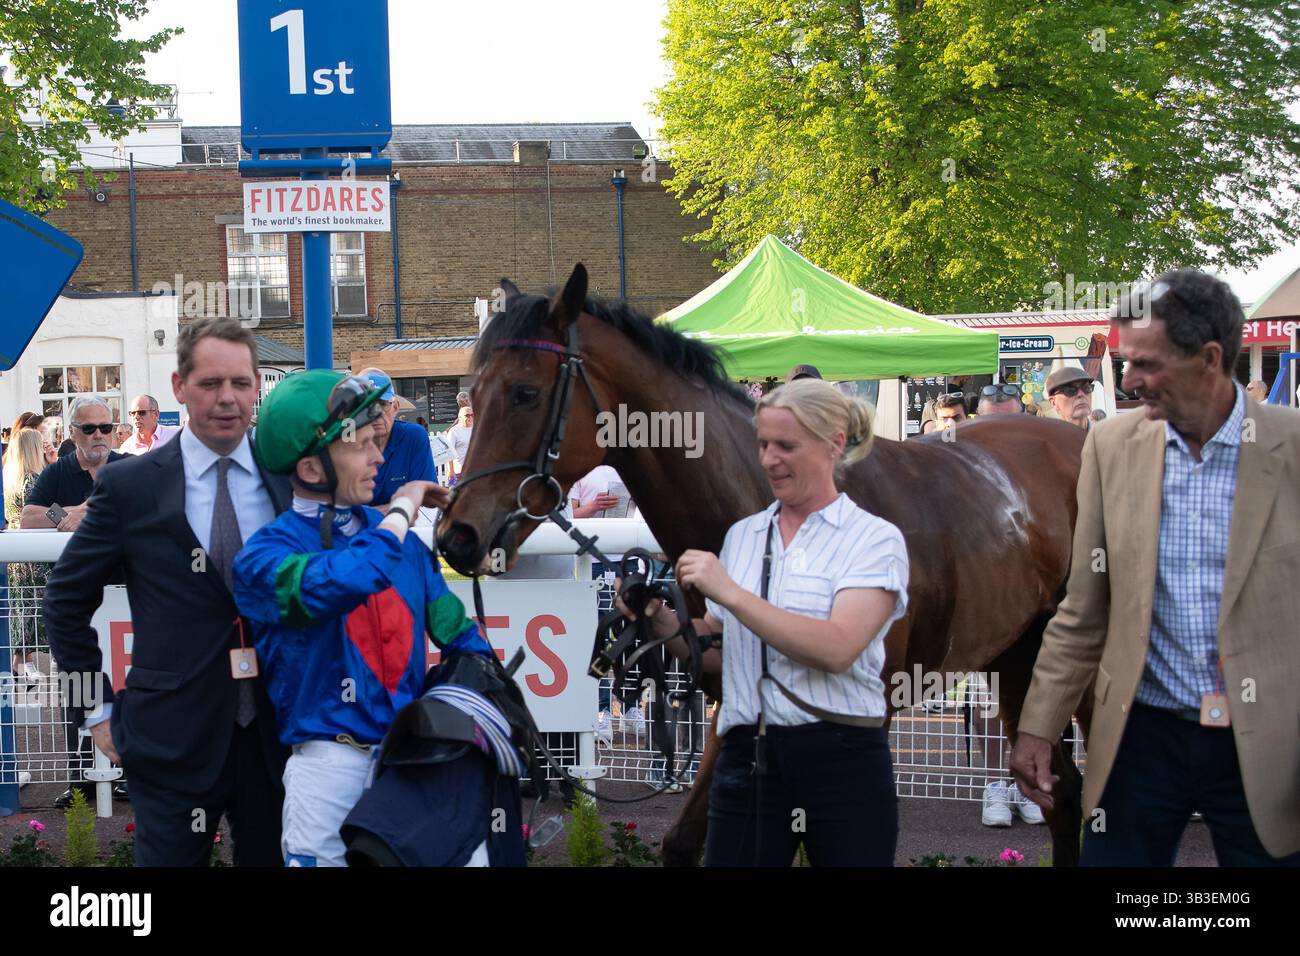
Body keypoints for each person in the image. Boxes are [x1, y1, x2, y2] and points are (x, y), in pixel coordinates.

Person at [1011, 269, 1300, 866]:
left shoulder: (1291, 448)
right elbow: (1084, 607)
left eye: (1146, 364)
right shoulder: (1110, 448)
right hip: (1140, 740)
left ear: (1211, 359)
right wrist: (1038, 726)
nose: (1130, 383)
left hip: (1270, 745)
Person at [622, 378, 909, 866]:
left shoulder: (874, 539)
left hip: (841, 758)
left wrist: (730, 593)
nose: (770, 459)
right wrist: (662, 622)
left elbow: (837, 648)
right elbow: (717, 649)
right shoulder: (744, 536)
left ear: (834, 444)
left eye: (786, 446)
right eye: (763, 445)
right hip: (747, 759)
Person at [42, 317, 293, 866]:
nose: (228, 398)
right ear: (180, 387)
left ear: (257, 387)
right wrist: (96, 711)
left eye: (241, 384)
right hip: (170, 740)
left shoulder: (292, 478)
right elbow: (64, 602)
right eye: (210, 384)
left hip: (281, 738)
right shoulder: (132, 485)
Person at [232, 370, 493, 867]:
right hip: (327, 770)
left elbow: (463, 638)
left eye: (378, 441)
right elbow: (350, 577)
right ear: (310, 469)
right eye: (361, 446)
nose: (379, 457)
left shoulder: (398, 542)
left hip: (415, 761)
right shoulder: (262, 559)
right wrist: (399, 513)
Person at [20, 397, 125, 531]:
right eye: (89, 428)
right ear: (72, 432)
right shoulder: (57, 472)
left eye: (105, 428)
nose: (99, 435)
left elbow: (153, 510)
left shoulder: (130, 466)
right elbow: (27, 518)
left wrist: (97, 515)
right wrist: (68, 514)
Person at [3, 429, 51, 679]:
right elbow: (45, 514)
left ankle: (21, 664)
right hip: (33, 555)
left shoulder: (10, 477)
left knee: (21, 606)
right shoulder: (32, 479)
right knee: (34, 606)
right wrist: (68, 514)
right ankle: (22, 666)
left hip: (17, 554)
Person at [356, 367, 437, 508]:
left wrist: (368, 514)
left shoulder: (413, 437)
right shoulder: (345, 441)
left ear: (396, 407)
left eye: (382, 405)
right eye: (367, 406)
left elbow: (428, 496)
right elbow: (337, 508)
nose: (376, 413)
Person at [445, 404, 473, 483]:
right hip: (459, 472)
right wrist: (451, 470)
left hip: (475, 471)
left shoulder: (477, 428)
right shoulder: (454, 431)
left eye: (472, 415)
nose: (470, 417)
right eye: (467, 415)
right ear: (460, 418)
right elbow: (449, 452)